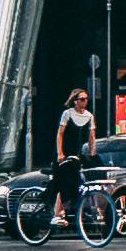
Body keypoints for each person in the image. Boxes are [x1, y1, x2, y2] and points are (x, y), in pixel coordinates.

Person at [52, 78, 97, 234]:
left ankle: (80, 210)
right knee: (63, 181)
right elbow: (60, 134)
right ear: (75, 101)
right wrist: (60, 152)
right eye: (82, 99)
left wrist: (92, 154)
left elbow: (92, 137)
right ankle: (57, 213)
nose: (85, 102)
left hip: (78, 154)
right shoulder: (68, 114)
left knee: (80, 181)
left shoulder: (89, 116)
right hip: (65, 153)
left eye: (86, 99)